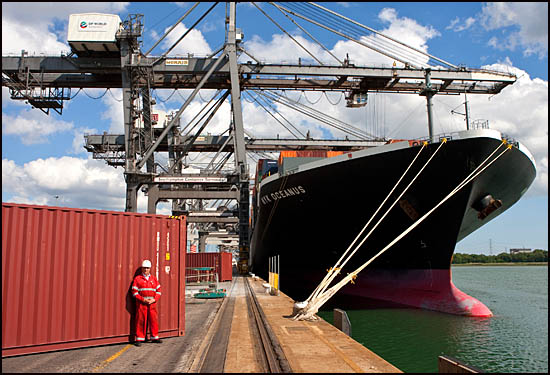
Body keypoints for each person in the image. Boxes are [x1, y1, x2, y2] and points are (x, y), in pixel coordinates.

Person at [132, 259, 162, 346]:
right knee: (140, 320)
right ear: (142, 268)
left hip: (152, 304)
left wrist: (154, 299)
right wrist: (143, 299)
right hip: (142, 304)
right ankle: (139, 339)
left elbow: (159, 291)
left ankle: (154, 337)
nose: (146, 270)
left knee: (153, 320)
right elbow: (134, 292)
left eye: (147, 268)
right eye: (144, 268)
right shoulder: (137, 279)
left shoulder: (154, 279)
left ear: (150, 269)